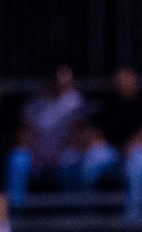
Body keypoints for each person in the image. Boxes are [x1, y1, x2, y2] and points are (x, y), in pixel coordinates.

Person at [67, 67, 142, 222]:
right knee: (89, 161)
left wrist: (132, 144)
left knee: (133, 167)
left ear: (134, 81)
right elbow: (98, 130)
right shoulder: (108, 101)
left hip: (139, 150)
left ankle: (133, 220)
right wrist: (95, 140)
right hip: (112, 150)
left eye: (125, 79)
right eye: (118, 79)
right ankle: (86, 215)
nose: (121, 83)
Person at [5, 66, 84, 205]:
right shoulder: (35, 104)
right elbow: (25, 135)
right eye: (59, 83)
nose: (63, 87)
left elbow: (76, 135)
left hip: (63, 154)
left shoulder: (75, 102)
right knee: (17, 159)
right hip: (37, 155)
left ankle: (73, 211)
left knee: (71, 160)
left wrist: (58, 155)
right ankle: (16, 209)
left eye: (67, 84)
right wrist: (35, 153)